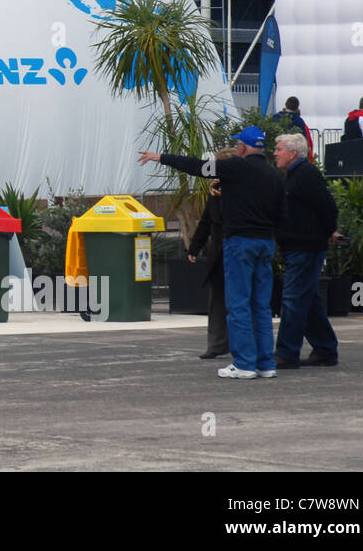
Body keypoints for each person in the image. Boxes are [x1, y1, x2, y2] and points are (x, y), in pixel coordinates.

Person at [139, 124, 286, 380]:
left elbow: (196, 166)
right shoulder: (273, 175)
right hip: (265, 243)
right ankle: (265, 363)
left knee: (238, 303)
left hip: (240, 242)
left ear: (242, 147)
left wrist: (161, 157)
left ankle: (244, 364)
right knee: (261, 306)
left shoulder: (234, 168)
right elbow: (283, 213)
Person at [272, 132, 341, 368]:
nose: (275, 153)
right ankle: (325, 348)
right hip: (298, 246)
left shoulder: (306, 175)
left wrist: (327, 231)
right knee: (308, 300)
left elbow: (328, 207)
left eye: (279, 149)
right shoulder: (294, 175)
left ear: (292, 153)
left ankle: (286, 353)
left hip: (306, 247)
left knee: (292, 299)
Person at [187, 147, 237, 360]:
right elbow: (206, 221)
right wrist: (194, 247)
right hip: (218, 253)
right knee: (217, 300)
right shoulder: (216, 192)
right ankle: (216, 344)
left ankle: (239, 345)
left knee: (237, 301)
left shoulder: (238, 193)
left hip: (235, 251)